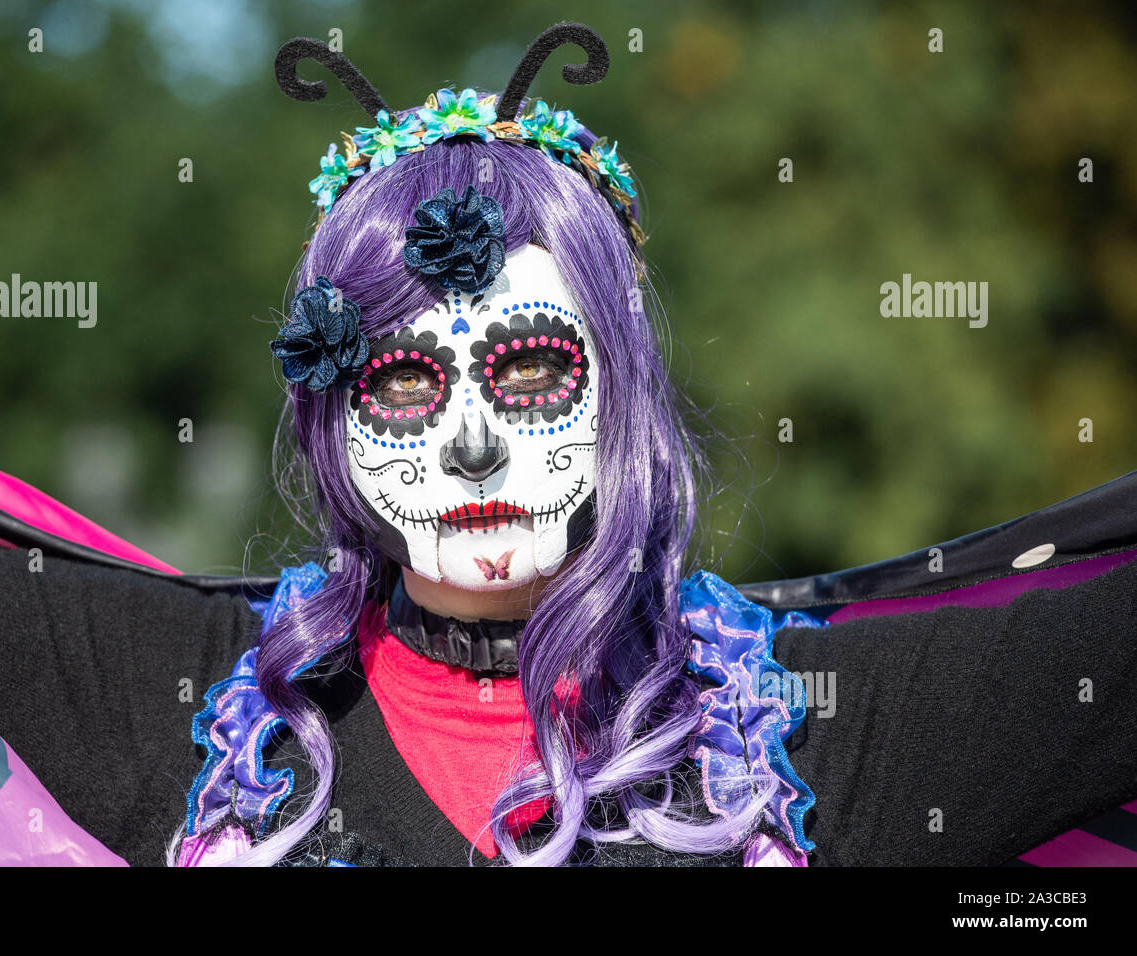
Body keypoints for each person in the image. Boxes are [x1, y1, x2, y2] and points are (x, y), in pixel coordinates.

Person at [167, 24, 1137, 868]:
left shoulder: (803, 723)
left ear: (618, 385)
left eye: (531, 370)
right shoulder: (218, 704)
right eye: (405, 382)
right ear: (334, 403)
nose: (470, 449)